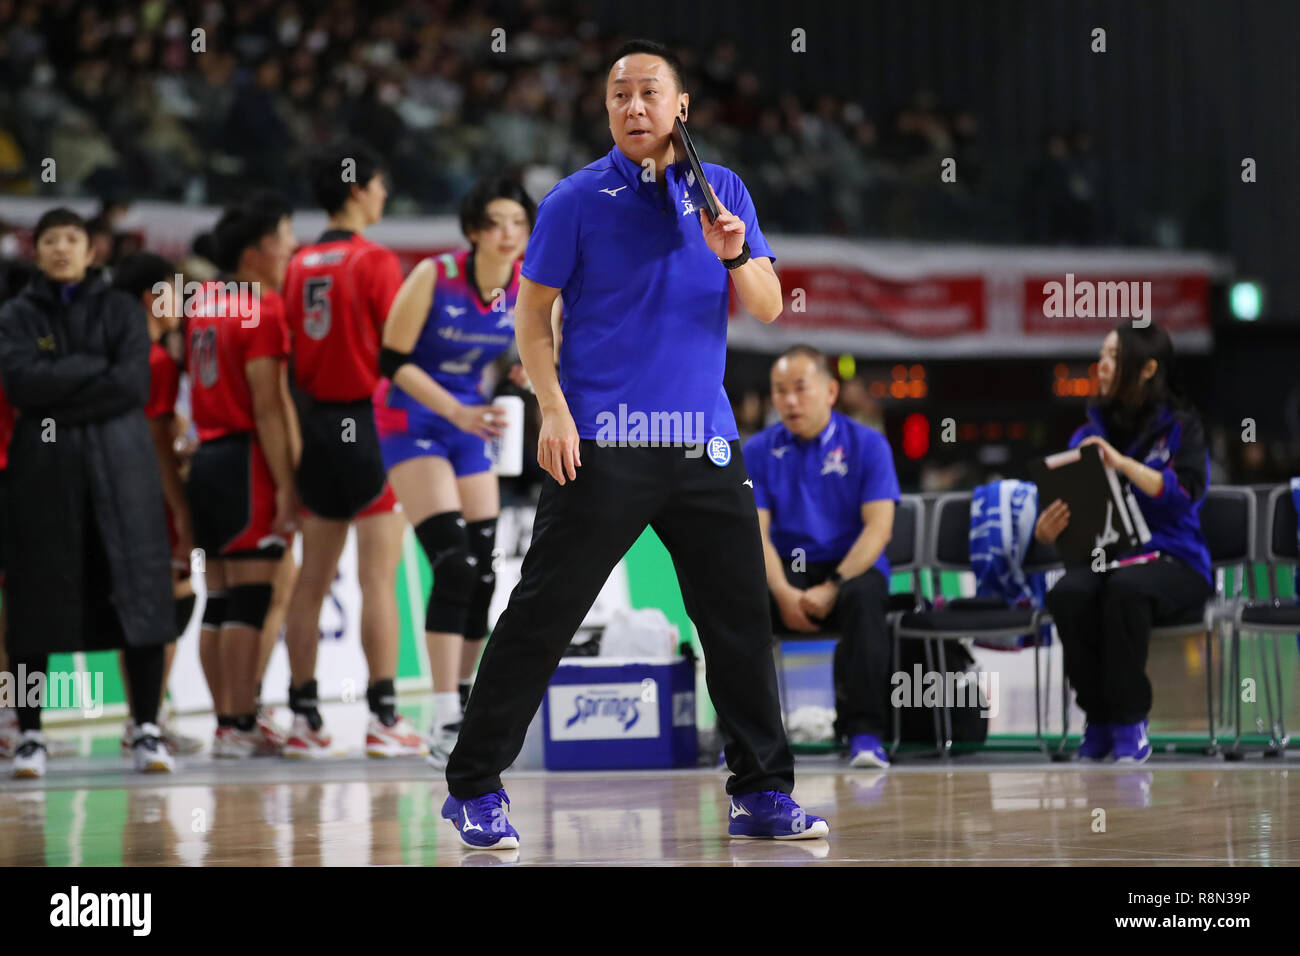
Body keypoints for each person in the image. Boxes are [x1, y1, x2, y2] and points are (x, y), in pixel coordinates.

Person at [440, 40, 827, 848]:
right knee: (544, 614)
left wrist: (736, 252)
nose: (634, 107)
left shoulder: (722, 191)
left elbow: (768, 304)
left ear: (680, 106)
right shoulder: (575, 201)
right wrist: (551, 407)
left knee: (738, 626)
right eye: (620, 96)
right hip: (603, 444)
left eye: (650, 93)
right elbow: (531, 316)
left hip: (706, 445)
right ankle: (473, 786)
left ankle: (761, 792)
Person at [0, 208, 175, 777]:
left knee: (140, 591)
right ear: (37, 249)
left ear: (90, 249)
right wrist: (90, 372)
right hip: (43, 474)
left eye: (71, 239)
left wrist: (60, 382)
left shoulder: (121, 308)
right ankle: (29, 734)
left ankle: (146, 727)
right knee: (33, 601)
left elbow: (132, 384)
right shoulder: (17, 314)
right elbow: (21, 383)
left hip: (122, 470)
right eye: (50, 239)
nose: (61, 248)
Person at [374, 174, 539, 766]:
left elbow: (517, 349)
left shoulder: (522, 285)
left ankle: (467, 700)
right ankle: (442, 715)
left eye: (518, 223)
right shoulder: (435, 276)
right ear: (473, 230)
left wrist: (518, 371)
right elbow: (391, 360)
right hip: (412, 420)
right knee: (454, 563)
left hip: (471, 423)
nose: (507, 234)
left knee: (486, 569)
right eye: (495, 223)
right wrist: (455, 410)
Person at [281, 142, 422, 758]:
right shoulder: (375, 261)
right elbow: (401, 353)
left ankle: (303, 717)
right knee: (377, 581)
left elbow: (288, 355)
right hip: (368, 423)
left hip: (316, 427)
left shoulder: (298, 262)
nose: (385, 193)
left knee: (310, 581)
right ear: (358, 189)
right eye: (381, 184)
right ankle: (382, 719)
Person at [1036, 322, 1211, 764]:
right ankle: (1098, 720)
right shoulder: (1087, 434)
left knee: (1126, 589)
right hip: (1110, 562)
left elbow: (1186, 492)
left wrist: (1126, 466)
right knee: (1067, 593)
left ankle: (1131, 720)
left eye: (1114, 355)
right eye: (1102, 354)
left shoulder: (1182, 429)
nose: (1103, 364)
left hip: (1177, 562)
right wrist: (1048, 530)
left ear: (1147, 367)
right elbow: (1078, 521)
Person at [743, 346, 899, 769]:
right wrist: (780, 591)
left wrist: (834, 587)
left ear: (830, 391)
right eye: (780, 391)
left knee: (867, 596)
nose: (790, 401)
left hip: (848, 568)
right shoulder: (756, 451)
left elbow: (879, 529)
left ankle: (864, 735)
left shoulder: (868, 445)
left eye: (800, 389)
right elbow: (755, 532)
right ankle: (748, 742)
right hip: (785, 569)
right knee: (737, 600)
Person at [187, 202, 300, 758]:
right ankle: (238, 721)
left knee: (222, 597)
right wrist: (286, 484)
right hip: (245, 460)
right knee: (252, 598)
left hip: (207, 456)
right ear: (255, 251)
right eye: (284, 239)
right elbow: (269, 406)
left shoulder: (205, 301)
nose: (290, 250)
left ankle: (226, 723)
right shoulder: (264, 306)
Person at [110, 252, 205, 757]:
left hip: (115, 490)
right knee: (172, 600)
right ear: (151, 297)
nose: (183, 302)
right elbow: (155, 439)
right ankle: (145, 716)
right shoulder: (156, 361)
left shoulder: (119, 354)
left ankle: (145, 715)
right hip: (148, 497)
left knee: (159, 603)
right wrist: (183, 514)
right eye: (175, 292)